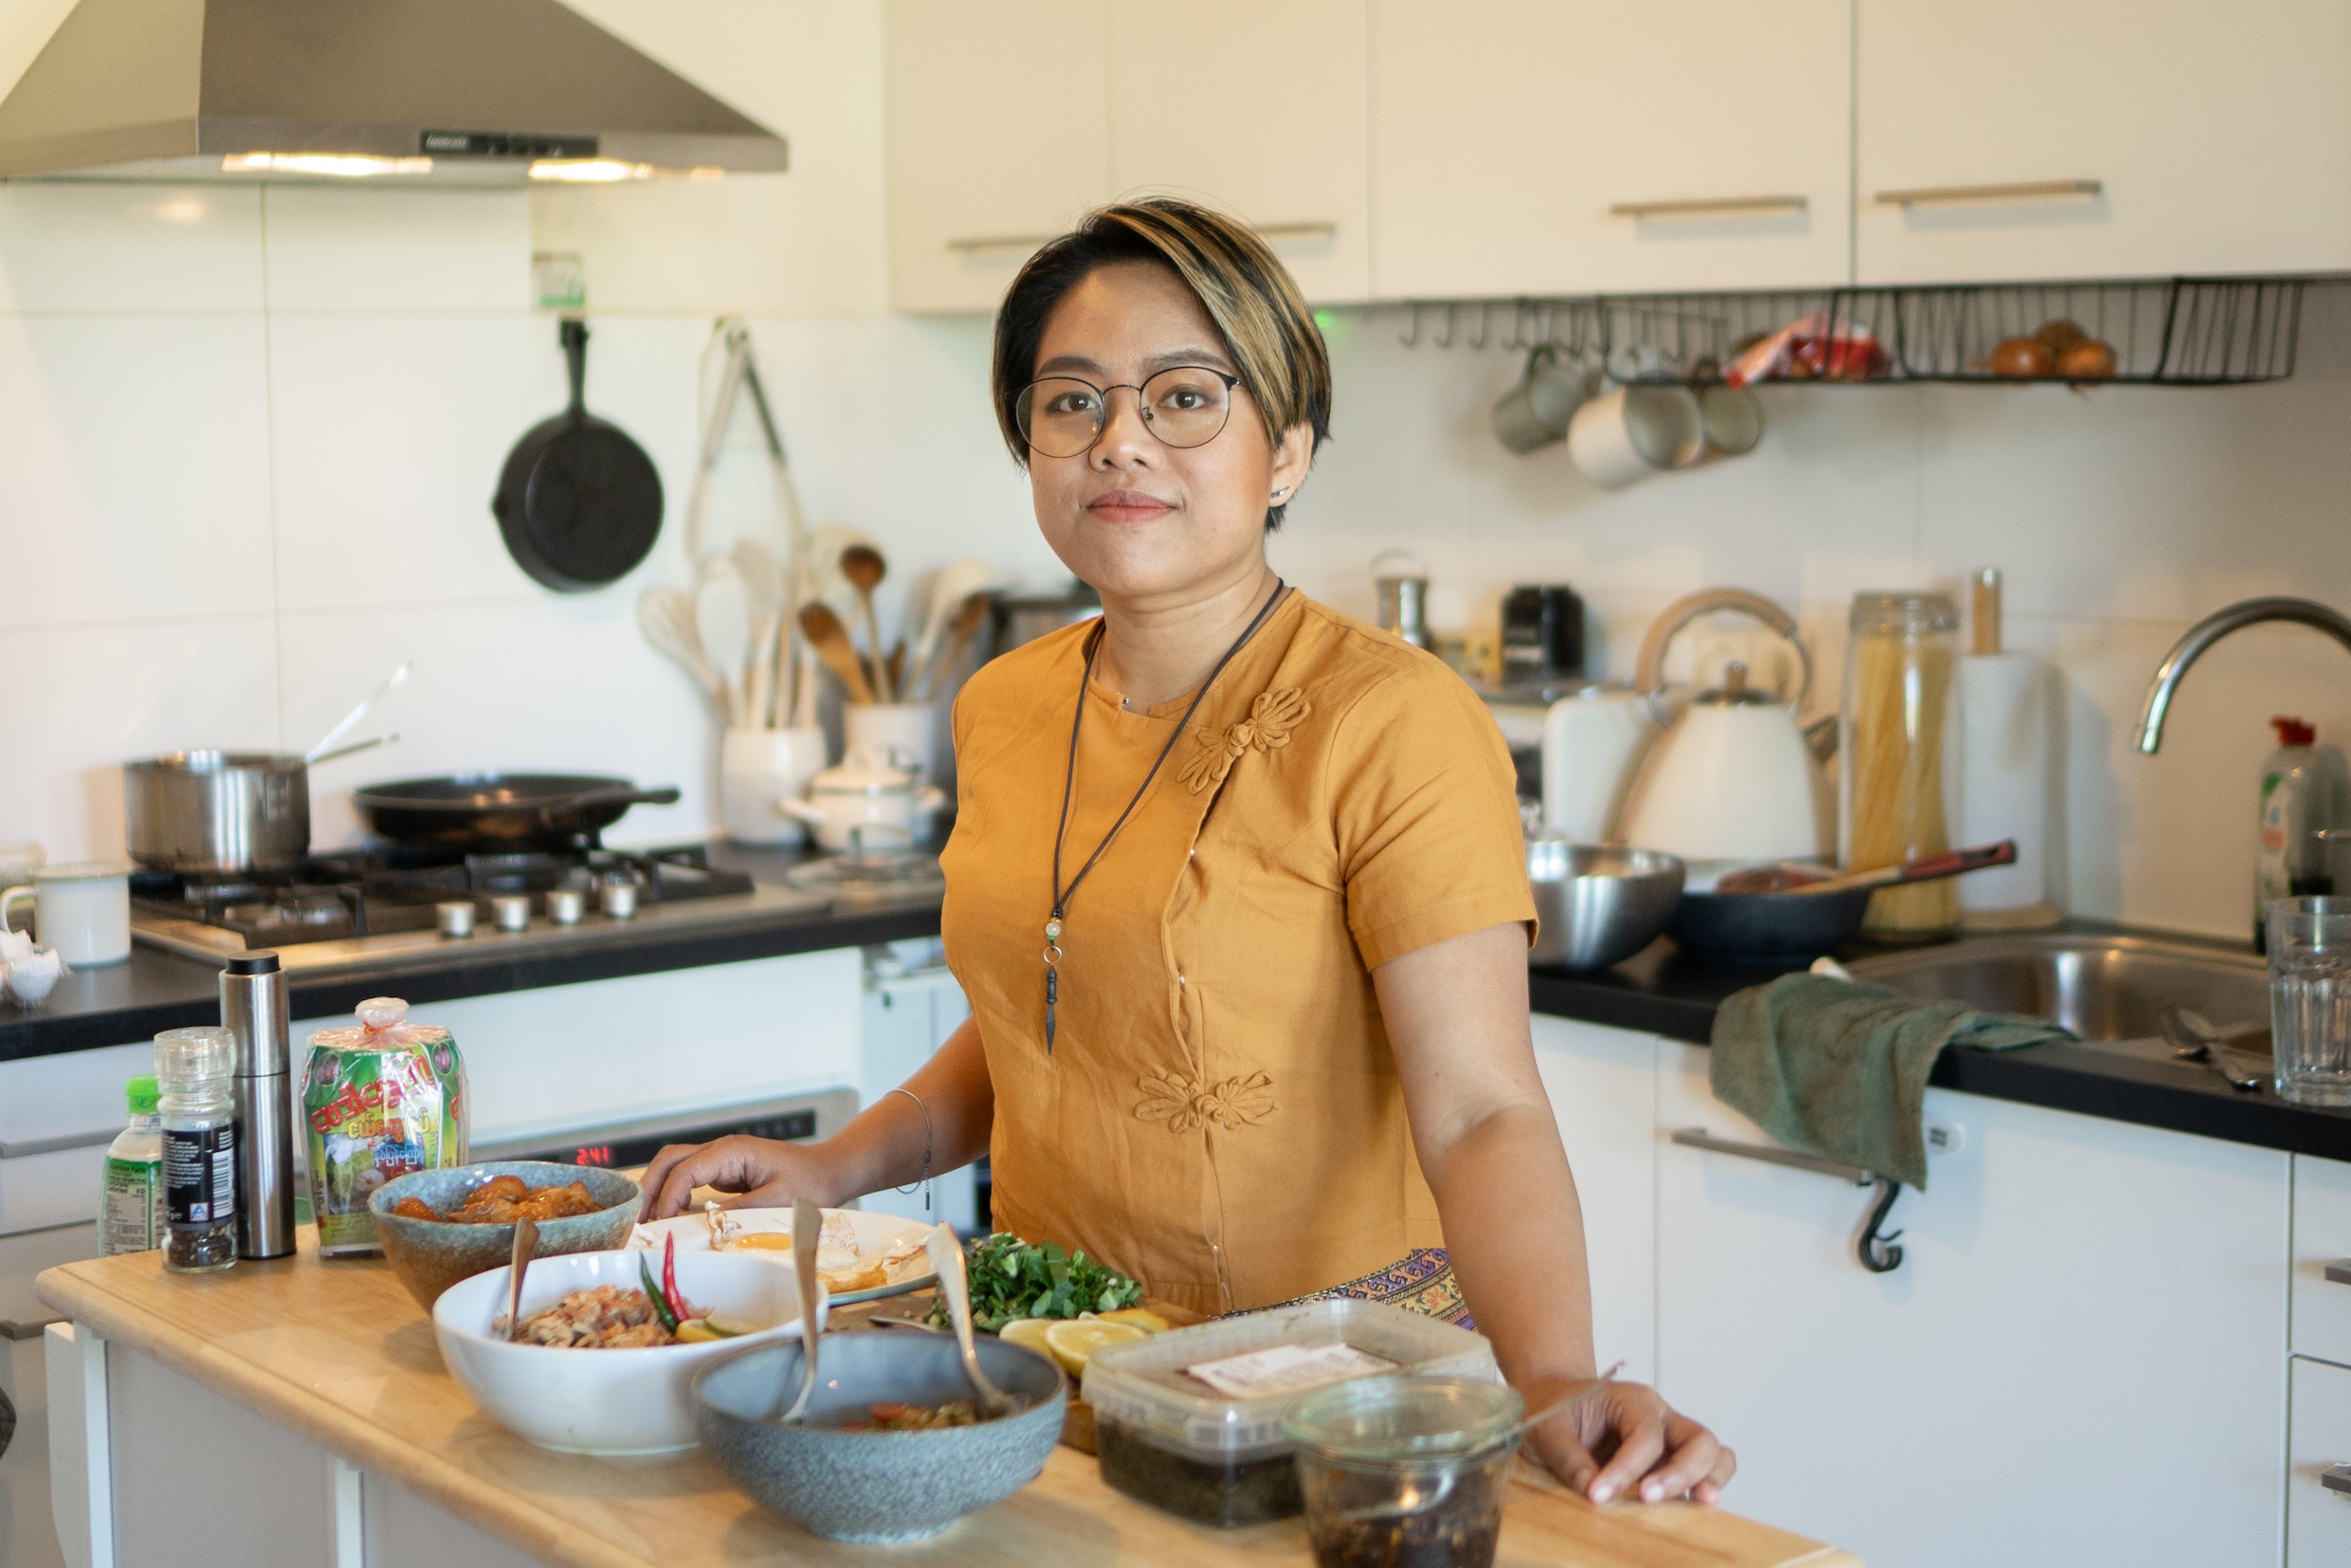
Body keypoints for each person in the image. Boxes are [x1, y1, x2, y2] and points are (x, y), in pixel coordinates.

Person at [642, 197, 1732, 1505]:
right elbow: (1040, 1016)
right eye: (1072, 403)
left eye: (1184, 397)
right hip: (1056, 1377)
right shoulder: (1002, 704)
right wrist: (837, 1164)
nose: (1120, 443)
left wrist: (1553, 1374)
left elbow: (1483, 1105)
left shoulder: (1392, 720)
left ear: (1286, 452)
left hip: (1325, 1408)